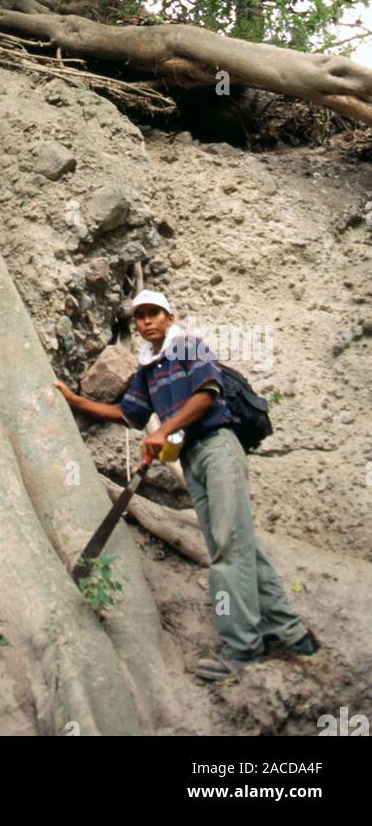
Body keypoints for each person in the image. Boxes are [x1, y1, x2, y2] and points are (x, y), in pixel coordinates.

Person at [55, 289, 319, 680]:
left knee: (226, 550)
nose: (145, 322)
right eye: (139, 316)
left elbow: (207, 394)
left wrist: (163, 430)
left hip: (218, 448)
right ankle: (292, 633)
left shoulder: (187, 348)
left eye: (153, 314)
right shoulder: (148, 368)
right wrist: (76, 401)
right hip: (193, 458)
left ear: (169, 317)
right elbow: (128, 414)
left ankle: (242, 649)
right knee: (236, 542)